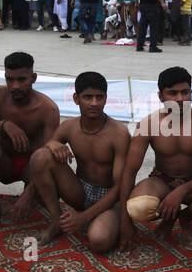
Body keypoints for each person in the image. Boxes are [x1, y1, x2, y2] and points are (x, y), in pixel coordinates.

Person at [120, 66, 192, 249]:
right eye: (172, 93)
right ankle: (170, 215)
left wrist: (181, 191)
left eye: (185, 92)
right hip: (162, 179)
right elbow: (129, 170)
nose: (180, 99)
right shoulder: (148, 124)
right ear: (160, 96)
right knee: (138, 207)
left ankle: (184, 217)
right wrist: (125, 221)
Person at [28, 71, 129, 251]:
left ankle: (100, 221)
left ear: (106, 99)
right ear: (76, 98)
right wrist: (52, 144)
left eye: (99, 97)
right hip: (80, 191)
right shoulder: (69, 126)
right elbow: (42, 158)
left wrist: (83, 217)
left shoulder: (119, 133)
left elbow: (119, 187)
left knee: (99, 241)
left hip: (109, 198)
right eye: (87, 97)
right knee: (41, 156)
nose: (94, 103)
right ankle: (56, 221)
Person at [0, 51, 61, 228]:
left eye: (21, 80)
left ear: (33, 78)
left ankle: (32, 193)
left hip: (31, 167)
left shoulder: (47, 109)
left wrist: (29, 192)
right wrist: (3, 125)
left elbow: (49, 155)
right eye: (9, 79)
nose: (15, 86)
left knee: (50, 191)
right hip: (4, 161)